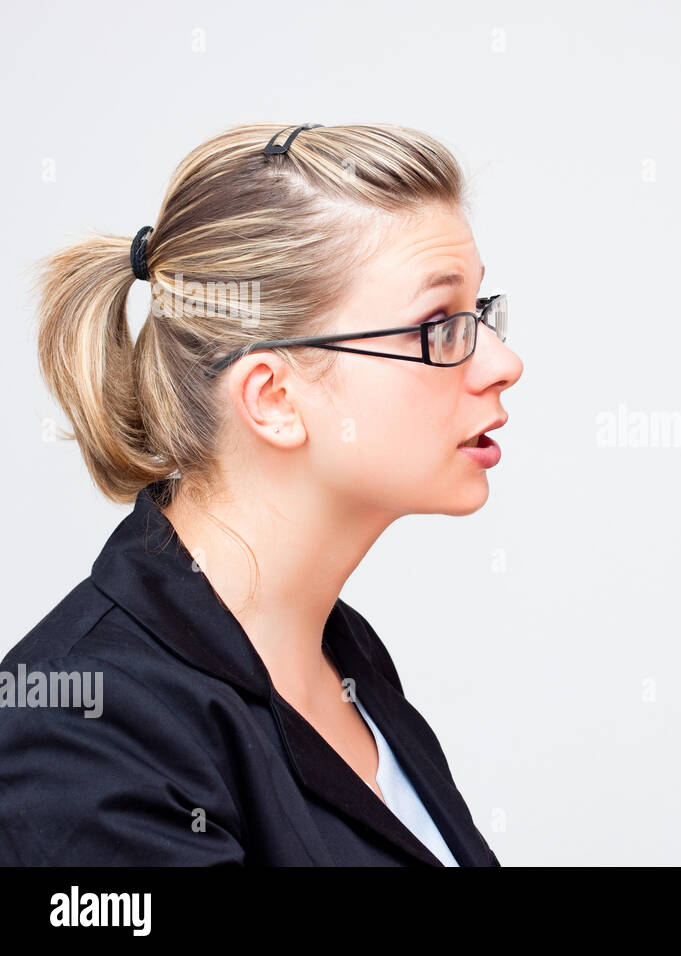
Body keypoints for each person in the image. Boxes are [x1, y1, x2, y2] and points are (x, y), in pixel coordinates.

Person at [0, 123, 522, 865]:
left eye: (481, 313)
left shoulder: (346, 662)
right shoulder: (82, 735)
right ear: (273, 397)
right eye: (437, 324)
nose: (504, 361)